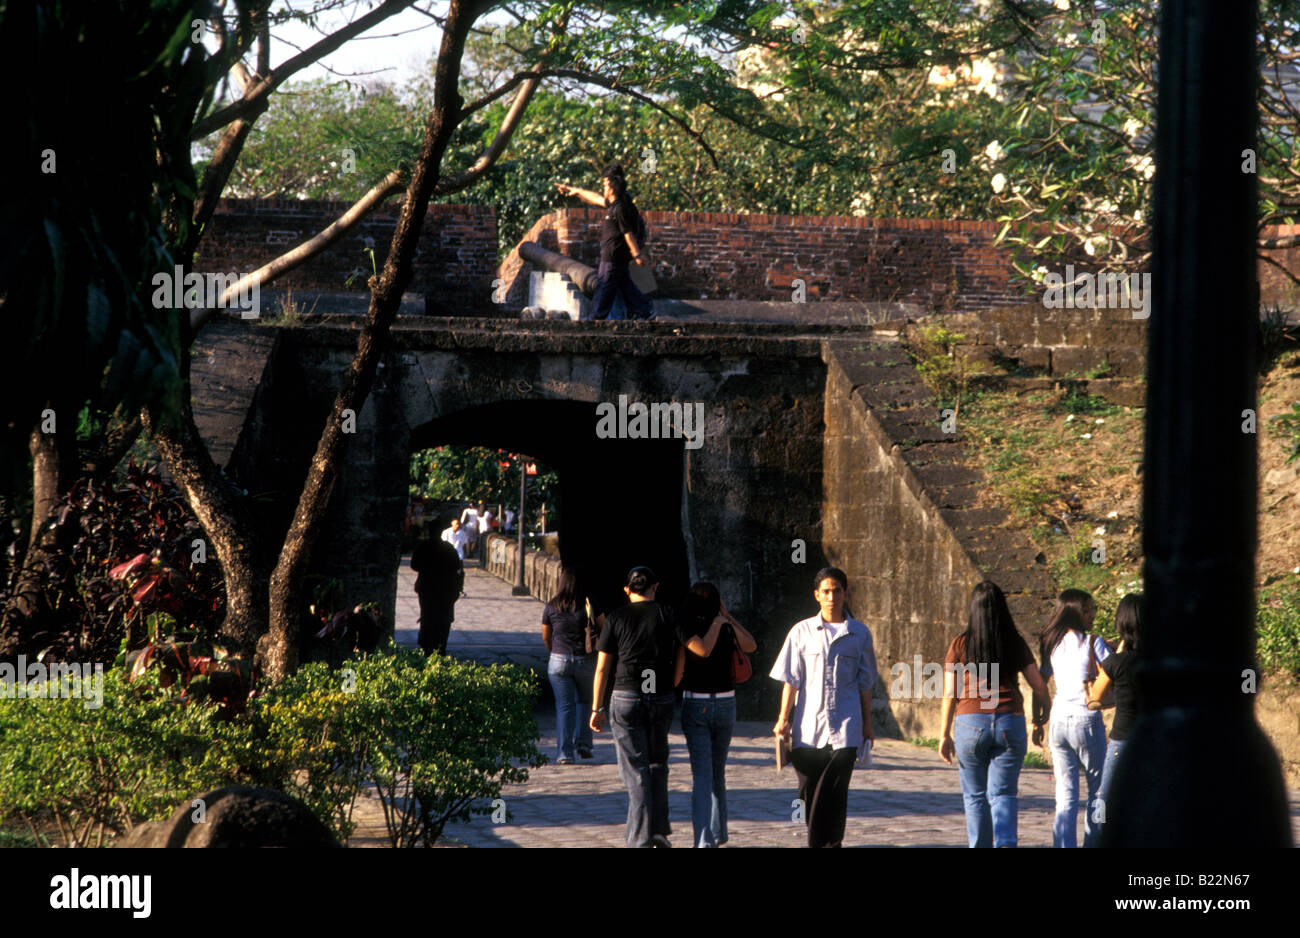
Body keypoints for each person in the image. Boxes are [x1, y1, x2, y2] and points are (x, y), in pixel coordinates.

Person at [770, 566, 877, 848]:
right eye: (826, 592)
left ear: (845, 593)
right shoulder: (801, 632)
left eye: (837, 591)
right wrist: (783, 718)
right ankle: (827, 841)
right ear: (817, 595)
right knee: (809, 792)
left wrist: (867, 725)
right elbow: (791, 680)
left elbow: (865, 684)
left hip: (845, 727)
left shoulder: (860, 634)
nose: (832, 597)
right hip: (808, 728)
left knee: (835, 790)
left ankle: (827, 844)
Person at [939, 580, 1052, 848]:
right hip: (1009, 722)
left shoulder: (960, 644)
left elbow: (949, 694)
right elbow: (1038, 685)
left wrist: (943, 734)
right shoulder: (1015, 642)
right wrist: (1041, 717)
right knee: (1004, 794)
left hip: (970, 723)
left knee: (975, 796)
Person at [589, 566, 689, 847]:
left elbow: (602, 668)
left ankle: (640, 839)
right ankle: (658, 829)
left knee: (635, 771)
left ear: (627, 590)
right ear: (655, 587)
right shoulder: (668, 613)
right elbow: (683, 647)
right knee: (657, 764)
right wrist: (676, 679)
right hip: (661, 696)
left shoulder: (616, 617)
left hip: (627, 694)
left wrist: (596, 708)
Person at [677, 582, 757, 848]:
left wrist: (727, 620)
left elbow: (751, 645)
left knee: (706, 774)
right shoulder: (705, 625)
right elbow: (704, 648)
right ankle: (715, 833)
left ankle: (706, 837)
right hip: (723, 704)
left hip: (702, 704)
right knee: (715, 772)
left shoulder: (690, 625)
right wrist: (722, 620)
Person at [1038, 588, 1110, 848]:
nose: (1092, 615)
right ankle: (1092, 843)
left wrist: (1038, 719)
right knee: (1098, 792)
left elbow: (1041, 681)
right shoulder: (1093, 642)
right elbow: (1114, 672)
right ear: (1074, 613)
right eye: (1087, 610)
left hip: (1058, 722)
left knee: (1065, 795)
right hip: (1086, 720)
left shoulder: (1051, 643)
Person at [555, 164, 653, 321]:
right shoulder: (615, 205)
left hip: (613, 258)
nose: (603, 187)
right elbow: (596, 199)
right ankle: (645, 311)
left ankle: (594, 318)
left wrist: (637, 254)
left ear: (613, 186)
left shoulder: (621, 208)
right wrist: (576, 191)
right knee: (626, 286)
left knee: (603, 287)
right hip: (616, 259)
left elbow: (628, 233)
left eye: (605, 184)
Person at [1091, 592, 1144, 830]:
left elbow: (1096, 695)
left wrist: (1120, 651)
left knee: (1105, 803)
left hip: (1122, 740)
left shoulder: (1115, 663)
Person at [543, 567, 598, 764]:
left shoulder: (551, 606)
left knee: (564, 707)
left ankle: (564, 753)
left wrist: (555, 652)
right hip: (585, 659)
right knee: (584, 701)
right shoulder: (588, 604)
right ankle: (583, 743)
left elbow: (546, 637)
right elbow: (603, 626)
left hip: (558, 660)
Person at [410, 534, 463, 656]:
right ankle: (439, 646)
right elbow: (456, 566)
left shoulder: (423, 547)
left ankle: (428, 646)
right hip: (444, 590)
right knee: (442, 619)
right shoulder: (448, 548)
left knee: (428, 617)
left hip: (428, 589)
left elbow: (414, 565)